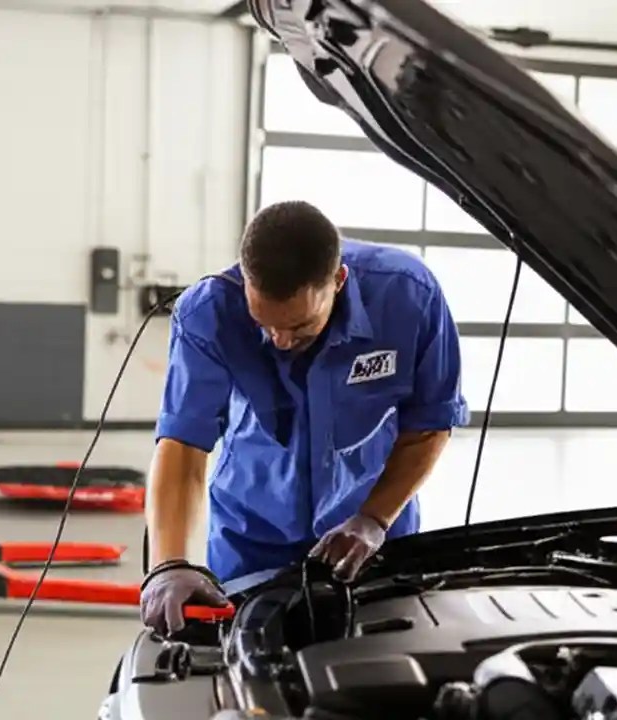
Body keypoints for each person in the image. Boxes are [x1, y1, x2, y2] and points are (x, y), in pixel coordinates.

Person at [139, 200, 468, 636]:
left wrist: (374, 518)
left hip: (371, 535)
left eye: (299, 327)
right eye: (264, 323)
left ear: (338, 280)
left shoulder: (409, 296)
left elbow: (429, 423)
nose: (279, 340)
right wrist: (169, 564)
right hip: (252, 538)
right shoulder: (208, 313)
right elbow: (183, 445)